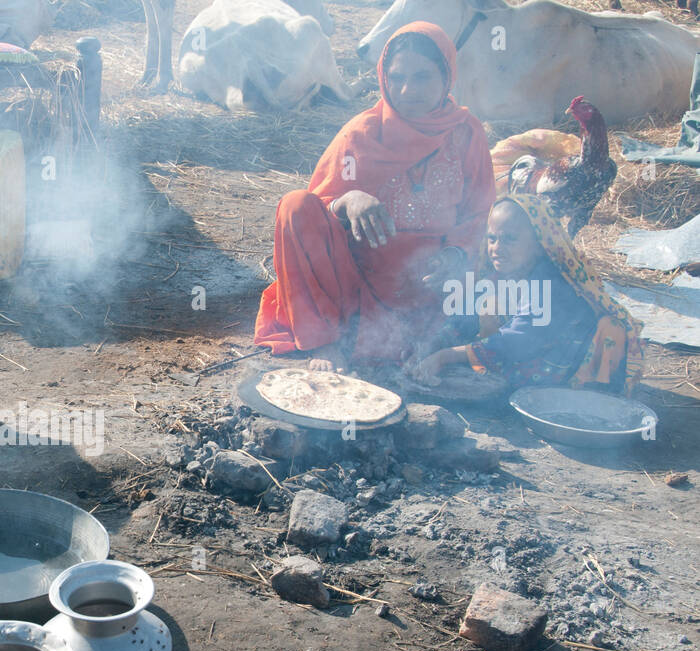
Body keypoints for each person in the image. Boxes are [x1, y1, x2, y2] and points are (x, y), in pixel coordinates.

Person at [253, 21, 496, 372]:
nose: (407, 89)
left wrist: (456, 255)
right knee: (294, 205)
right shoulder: (362, 134)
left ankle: (427, 342)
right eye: (396, 77)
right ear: (383, 77)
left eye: (422, 77)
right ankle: (325, 340)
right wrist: (347, 200)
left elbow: (480, 212)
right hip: (356, 283)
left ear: (447, 76)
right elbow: (314, 214)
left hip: (431, 287)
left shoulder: (465, 132)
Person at [407, 195, 644, 391]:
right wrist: (434, 343)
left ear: (540, 245)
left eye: (509, 239)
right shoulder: (502, 275)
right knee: (488, 305)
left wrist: (446, 356)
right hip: (531, 345)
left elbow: (520, 339)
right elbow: (465, 316)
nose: (496, 249)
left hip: (570, 357)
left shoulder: (550, 279)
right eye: (492, 238)